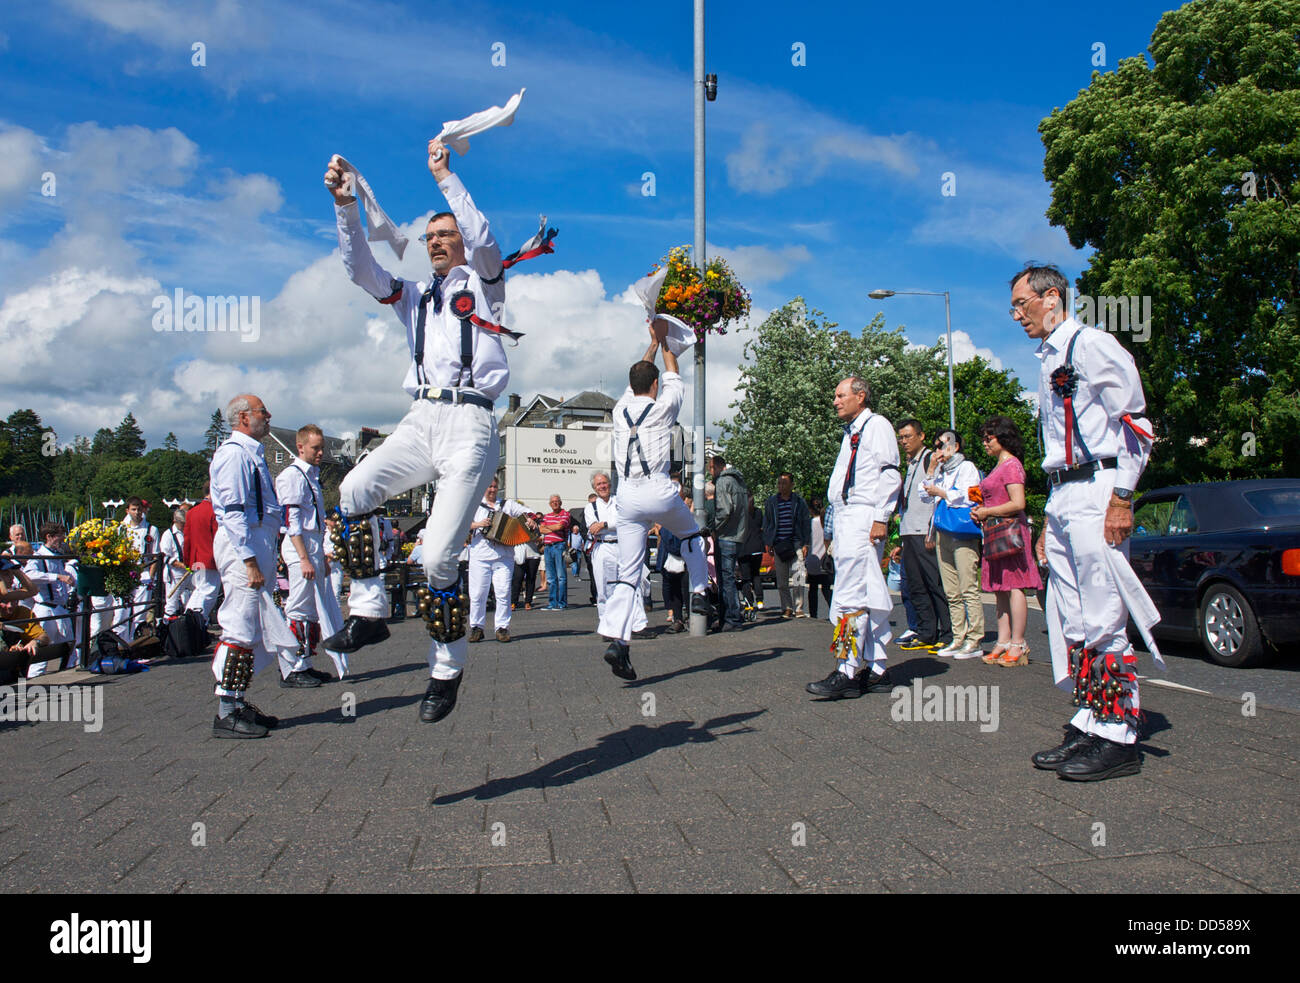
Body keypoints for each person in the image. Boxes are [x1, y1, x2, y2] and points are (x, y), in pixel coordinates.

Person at [320, 139, 540, 726]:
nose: (437, 241)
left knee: (439, 558)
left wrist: (444, 177)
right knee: (353, 491)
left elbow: (486, 238)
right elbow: (359, 269)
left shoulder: (486, 283)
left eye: (446, 234)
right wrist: (346, 207)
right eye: (430, 237)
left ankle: (447, 670)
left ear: (461, 242)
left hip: (470, 421)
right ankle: (368, 612)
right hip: (421, 418)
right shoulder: (412, 297)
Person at [1010, 264, 1160, 781]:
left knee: (1102, 612)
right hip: (1063, 491)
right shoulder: (1046, 359)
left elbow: (1135, 424)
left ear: (1052, 297)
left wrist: (1122, 496)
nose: (1017, 315)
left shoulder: (1093, 345)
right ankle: (1094, 718)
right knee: (1073, 617)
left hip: (1098, 486)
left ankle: (1119, 735)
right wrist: (1050, 516)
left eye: (1022, 303)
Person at [597, 320, 709, 679]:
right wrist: (664, 344)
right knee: (692, 536)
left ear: (631, 386)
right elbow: (672, 375)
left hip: (626, 496)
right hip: (658, 489)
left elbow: (642, 377)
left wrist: (650, 345)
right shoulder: (663, 409)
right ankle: (699, 591)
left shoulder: (619, 411)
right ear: (654, 385)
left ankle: (620, 641)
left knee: (629, 575)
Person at [208, 394, 301, 738]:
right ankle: (227, 708)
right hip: (241, 547)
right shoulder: (234, 455)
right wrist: (249, 560)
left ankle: (236, 701)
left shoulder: (251, 454)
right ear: (244, 418)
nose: (269, 416)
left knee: (252, 627)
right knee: (240, 625)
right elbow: (232, 512)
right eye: (263, 411)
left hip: (254, 544)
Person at [806, 377, 901, 699]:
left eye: (840, 395)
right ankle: (877, 668)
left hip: (862, 516)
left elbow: (889, 474)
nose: (835, 401)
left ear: (860, 396)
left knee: (851, 594)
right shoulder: (853, 433)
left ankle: (846, 668)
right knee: (868, 592)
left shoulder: (877, 426)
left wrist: (880, 517)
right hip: (849, 517)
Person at [969, 416, 1043, 667]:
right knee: (999, 586)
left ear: (1003, 437)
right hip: (995, 531)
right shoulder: (999, 466)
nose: (984, 443)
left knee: (1015, 585)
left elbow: (1018, 502)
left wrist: (987, 512)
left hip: (1010, 532)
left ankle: (1018, 642)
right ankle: (1003, 640)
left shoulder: (1011, 465)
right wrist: (981, 511)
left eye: (988, 438)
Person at [276, 423, 346, 685]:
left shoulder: (312, 476)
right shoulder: (292, 476)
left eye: (321, 448)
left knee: (310, 610)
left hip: (313, 545)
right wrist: (304, 557)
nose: (320, 453)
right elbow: (292, 521)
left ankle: (304, 662)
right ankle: (291, 667)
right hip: (300, 547)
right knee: (297, 606)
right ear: (301, 446)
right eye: (316, 448)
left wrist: (319, 558)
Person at [920, 430, 984, 658]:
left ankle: (975, 639)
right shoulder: (941, 472)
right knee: (951, 589)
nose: (938, 450)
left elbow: (972, 496)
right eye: (936, 446)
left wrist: (943, 492)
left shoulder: (967, 467)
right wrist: (930, 472)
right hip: (942, 531)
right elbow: (924, 495)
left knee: (968, 587)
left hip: (962, 531)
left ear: (956, 446)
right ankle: (958, 637)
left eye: (943, 445)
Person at [894, 419, 951, 652]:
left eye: (908, 436)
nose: (904, 441)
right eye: (901, 438)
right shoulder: (910, 463)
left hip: (925, 531)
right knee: (915, 585)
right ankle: (926, 631)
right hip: (909, 530)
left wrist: (932, 531)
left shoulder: (930, 459)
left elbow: (936, 494)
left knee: (934, 583)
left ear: (921, 436)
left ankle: (948, 633)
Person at [466, 478, 535, 643]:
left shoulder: (507, 505)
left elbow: (529, 512)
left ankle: (502, 628)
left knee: (503, 592)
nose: (492, 489)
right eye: (489, 486)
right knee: (477, 594)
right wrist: (478, 524)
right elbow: (461, 523)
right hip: (480, 556)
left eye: (495, 487)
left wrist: (530, 519)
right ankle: (476, 627)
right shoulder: (474, 504)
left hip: (504, 556)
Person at [585, 472, 649, 638]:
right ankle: (608, 627)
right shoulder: (590, 507)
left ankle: (637, 626)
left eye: (604, 483)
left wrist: (605, 524)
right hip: (602, 548)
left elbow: (624, 521)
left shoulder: (619, 501)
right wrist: (609, 525)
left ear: (610, 484)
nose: (602, 486)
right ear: (594, 487)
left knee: (632, 584)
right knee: (604, 588)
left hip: (622, 545)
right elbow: (593, 528)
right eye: (599, 484)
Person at [763, 472, 812, 618]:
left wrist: (806, 543)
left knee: (798, 575)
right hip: (778, 543)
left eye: (784, 483)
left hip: (795, 542)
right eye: (779, 483)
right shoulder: (771, 501)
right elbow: (768, 523)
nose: (781, 485)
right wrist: (768, 542)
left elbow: (805, 522)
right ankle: (787, 607)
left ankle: (799, 608)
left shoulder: (798, 501)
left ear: (791, 485)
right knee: (781, 579)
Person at [709, 455, 750, 632]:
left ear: (716, 467)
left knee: (726, 580)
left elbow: (725, 511)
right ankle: (728, 617)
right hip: (739, 535)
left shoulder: (723, 482)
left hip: (726, 537)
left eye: (710, 468)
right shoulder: (739, 482)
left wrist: (713, 528)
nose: (710, 472)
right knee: (729, 578)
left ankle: (732, 619)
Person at [119, 496, 159, 638]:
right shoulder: (122, 529)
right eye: (133, 509)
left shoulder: (151, 529)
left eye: (139, 510)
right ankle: (120, 645)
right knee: (121, 613)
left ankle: (137, 646)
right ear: (127, 511)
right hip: (125, 573)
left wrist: (151, 575)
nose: (137, 512)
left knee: (140, 612)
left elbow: (155, 556)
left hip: (144, 573)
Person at [183, 487, 221, 629]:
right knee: (208, 593)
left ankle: (189, 620)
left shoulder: (192, 512)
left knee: (199, 590)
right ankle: (197, 624)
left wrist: (187, 560)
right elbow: (218, 538)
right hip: (210, 558)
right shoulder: (214, 512)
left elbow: (187, 539)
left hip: (195, 558)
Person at [539, 495, 572, 610]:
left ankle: (562, 603)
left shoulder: (566, 514)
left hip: (559, 546)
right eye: (552, 502)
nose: (555, 503)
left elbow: (560, 526)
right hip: (548, 547)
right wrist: (552, 528)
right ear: (550, 504)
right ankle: (552, 603)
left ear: (561, 503)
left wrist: (547, 527)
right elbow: (541, 529)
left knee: (561, 576)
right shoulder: (547, 516)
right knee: (551, 577)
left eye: (557, 501)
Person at [159, 509, 190, 621]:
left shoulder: (187, 533)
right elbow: (165, 557)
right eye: (182, 523)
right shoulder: (168, 535)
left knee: (189, 601)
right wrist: (182, 565)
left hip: (188, 573)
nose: (184, 526)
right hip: (174, 574)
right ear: (175, 521)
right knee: (171, 603)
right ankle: (166, 627)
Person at [805, 501, 834, 620]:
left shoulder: (810, 523)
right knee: (826, 588)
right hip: (825, 559)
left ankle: (813, 614)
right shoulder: (827, 522)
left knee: (813, 588)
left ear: (811, 510)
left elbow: (807, 541)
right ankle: (834, 611)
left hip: (813, 559)